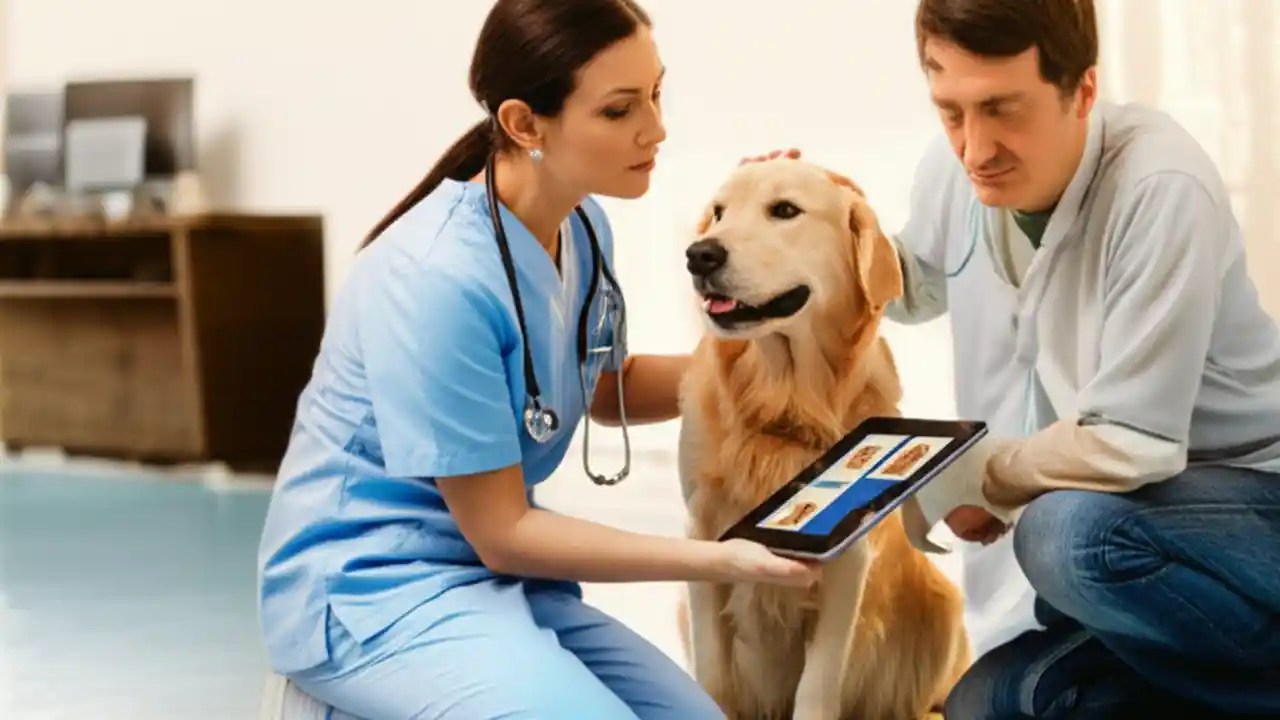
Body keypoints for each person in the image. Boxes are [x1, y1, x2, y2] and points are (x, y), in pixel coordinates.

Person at [255, 2, 817, 718]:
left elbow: (600, 384)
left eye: (655, 93)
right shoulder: (435, 280)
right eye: (619, 111)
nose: (657, 127)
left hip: (485, 575)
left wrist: (780, 352)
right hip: (372, 589)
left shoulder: (581, 226)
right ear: (525, 124)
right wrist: (722, 557)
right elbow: (504, 533)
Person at [757, 0, 1280, 715]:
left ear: (1083, 91)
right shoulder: (955, 168)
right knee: (987, 704)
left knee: (1068, 538)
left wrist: (974, 476)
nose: (975, 149)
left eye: (1005, 109)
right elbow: (909, 286)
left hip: (1250, 504)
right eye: (952, 111)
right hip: (1148, 548)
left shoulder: (1161, 187)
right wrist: (803, 220)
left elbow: (1135, 446)